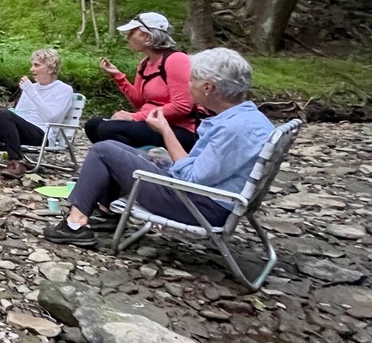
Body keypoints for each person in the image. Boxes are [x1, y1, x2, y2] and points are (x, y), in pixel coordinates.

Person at [43, 48, 274, 248]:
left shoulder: (233, 128)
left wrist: (165, 132)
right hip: (213, 200)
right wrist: (163, 147)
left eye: (191, 79)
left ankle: (74, 224)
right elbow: (201, 170)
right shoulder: (250, 118)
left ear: (208, 87)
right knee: (115, 147)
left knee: (104, 149)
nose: (187, 84)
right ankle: (99, 214)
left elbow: (193, 178)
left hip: (199, 208)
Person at [84, 12, 198, 151]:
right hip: (151, 123)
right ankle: (120, 166)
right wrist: (118, 76)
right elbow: (139, 101)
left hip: (179, 130)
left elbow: (182, 106)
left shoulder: (176, 60)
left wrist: (135, 117)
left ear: (147, 36)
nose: (127, 37)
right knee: (93, 125)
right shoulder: (145, 63)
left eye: (132, 32)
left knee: (110, 129)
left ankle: (140, 166)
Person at [0, 48, 74, 179]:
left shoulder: (64, 90)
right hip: (18, 132)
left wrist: (31, 92)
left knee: (2, 114)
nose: (32, 69)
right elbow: (19, 113)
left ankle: (17, 162)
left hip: (42, 134)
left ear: (50, 68)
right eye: (32, 65)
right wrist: (27, 95)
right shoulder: (31, 87)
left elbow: (52, 117)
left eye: (37, 65)